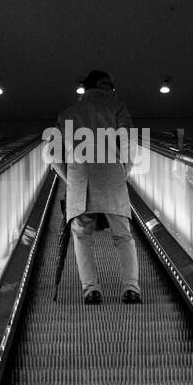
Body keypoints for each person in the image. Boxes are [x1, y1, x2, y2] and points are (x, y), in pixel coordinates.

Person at [50, 70, 141, 305]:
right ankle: (131, 289)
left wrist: (70, 177)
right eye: (110, 85)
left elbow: (53, 154)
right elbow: (130, 143)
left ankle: (91, 291)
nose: (113, 90)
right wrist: (123, 170)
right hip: (112, 179)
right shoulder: (117, 107)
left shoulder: (67, 114)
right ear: (102, 85)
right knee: (123, 236)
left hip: (81, 183)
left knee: (82, 237)